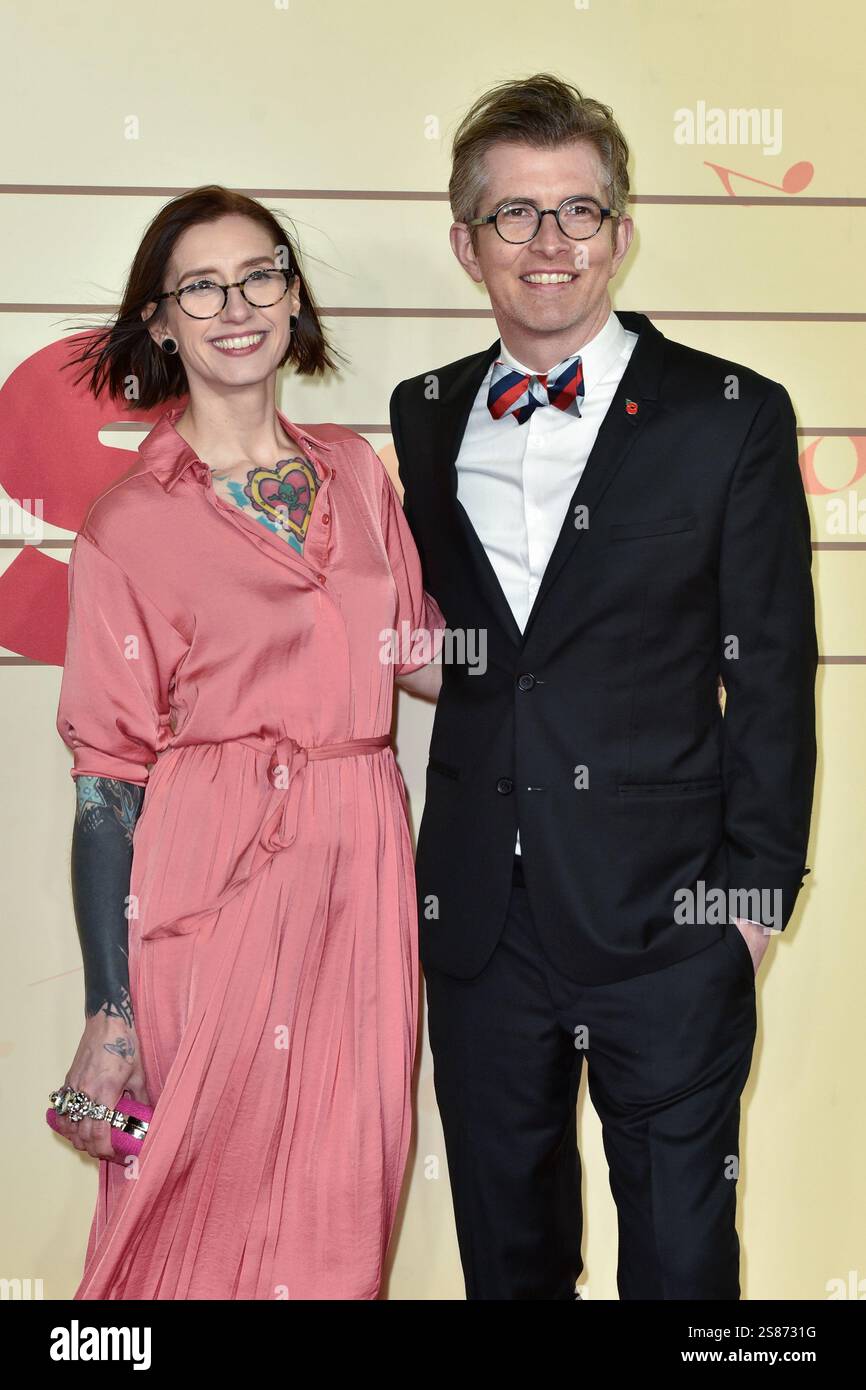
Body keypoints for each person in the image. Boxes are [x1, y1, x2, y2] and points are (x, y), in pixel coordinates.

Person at [389, 74, 817, 1299]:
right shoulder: (419, 420)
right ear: (464, 241)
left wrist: (746, 908)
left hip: (670, 921)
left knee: (683, 1268)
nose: (548, 244)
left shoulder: (724, 415)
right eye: (514, 215)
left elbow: (771, 672)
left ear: (621, 232)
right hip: (478, 924)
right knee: (507, 1260)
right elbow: (445, 645)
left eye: (578, 210)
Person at [51, 184, 443, 1299]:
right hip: (203, 884)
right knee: (184, 1191)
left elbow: (418, 655)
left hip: (359, 873)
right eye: (200, 287)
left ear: (291, 294)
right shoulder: (128, 524)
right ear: (159, 321)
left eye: (259, 274)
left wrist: (610, 662)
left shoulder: (359, 474)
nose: (237, 305)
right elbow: (106, 782)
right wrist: (110, 1006)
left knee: (340, 1190)